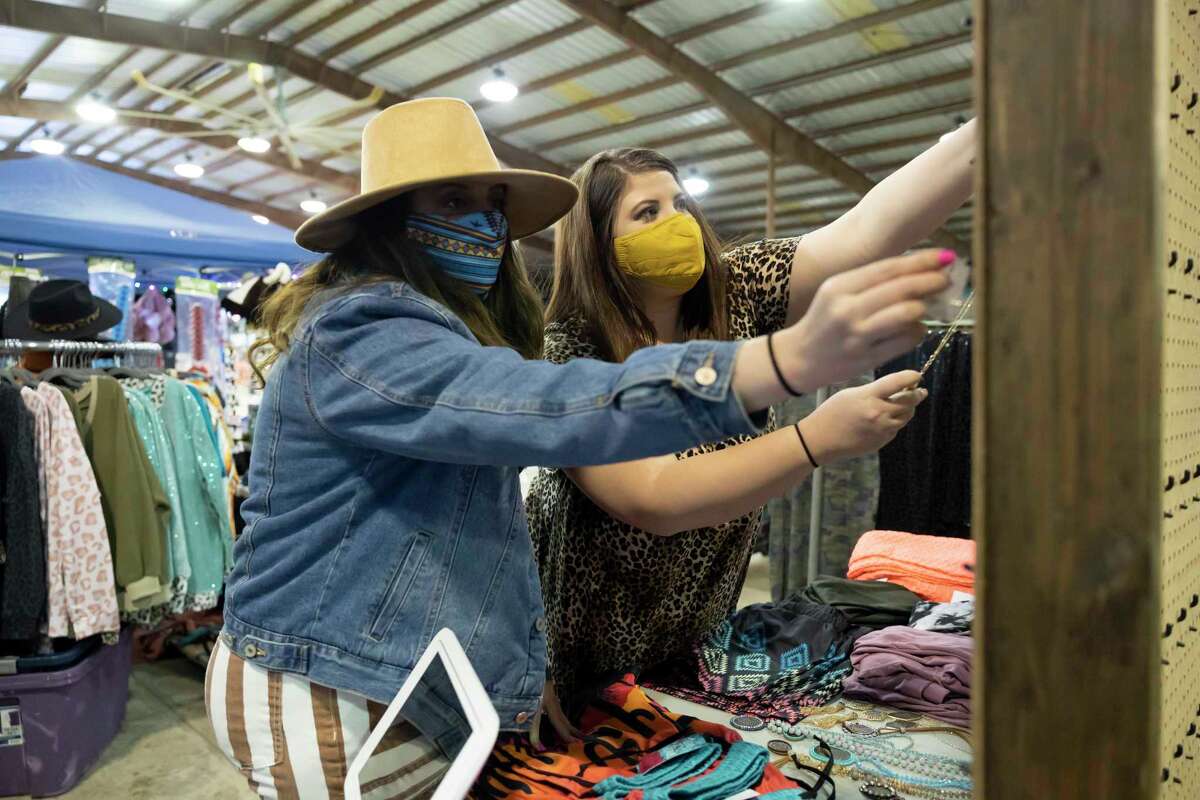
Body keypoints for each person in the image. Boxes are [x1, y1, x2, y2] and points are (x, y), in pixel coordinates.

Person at [205, 97, 952, 797]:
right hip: (328, 686)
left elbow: (483, 538)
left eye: (494, 204)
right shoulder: (363, 330)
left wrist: (521, 665)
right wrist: (780, 369)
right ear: (388, 223)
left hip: (412, 684)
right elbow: (553, 410)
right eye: (453, 202)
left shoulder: (445, 332)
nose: (485, 225)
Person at [526, 131, 975, 727]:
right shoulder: (573, 354)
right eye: (648, 213)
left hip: (690, 646)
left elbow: (866, 231)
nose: (678, 221)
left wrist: (983, 135)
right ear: (597, 245)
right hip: (571, 659)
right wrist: (817, 438)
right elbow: (651, 495)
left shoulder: (737, 293)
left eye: (681, 203)